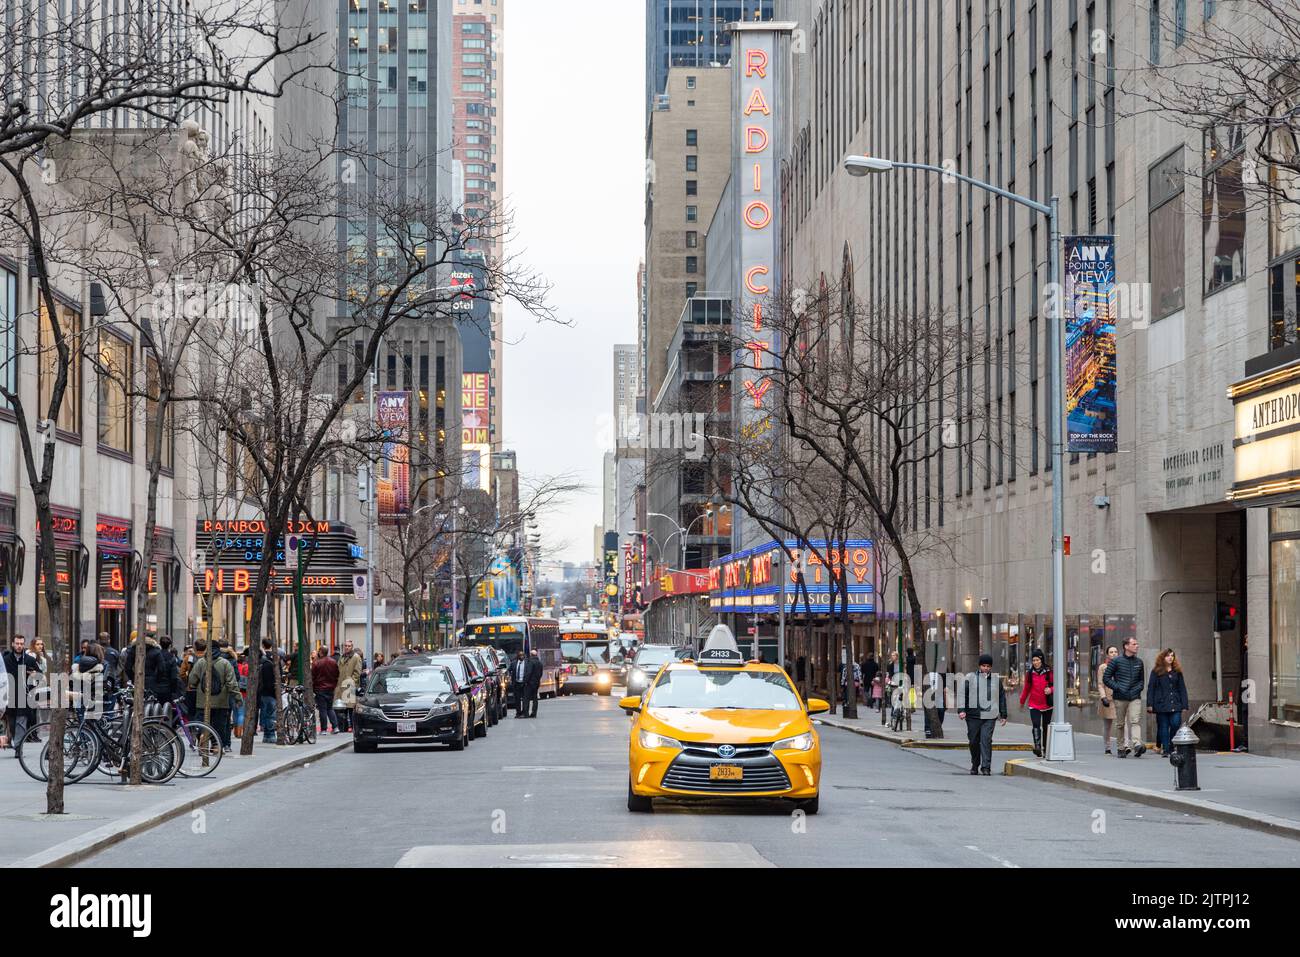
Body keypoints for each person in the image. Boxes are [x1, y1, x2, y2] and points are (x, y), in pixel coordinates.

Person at [958, 653, 1007, 776]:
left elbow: (1001, 697)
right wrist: (962, 710)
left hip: (989, 715)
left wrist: (1003, 715)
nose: (986, 668)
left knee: (986, 740)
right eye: (984, 666)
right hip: (973, 716)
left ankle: (986, 767)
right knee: (973, 741)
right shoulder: (970, 678)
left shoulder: (996, 680)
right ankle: (975, 764)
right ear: (979, 666)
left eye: (988, 666)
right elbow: (963, 694)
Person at [188, 638, 238, 751]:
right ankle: (216, 745)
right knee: (219, 725)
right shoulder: (225, 663)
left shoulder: (201, 662)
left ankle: (203, 738)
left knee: (203, 723)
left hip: (203, 701)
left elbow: (191, 680)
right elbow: (232, 683)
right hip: (221, 702)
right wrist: (238, 698)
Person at [1104, 635, 1146, 758]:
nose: (1137, 646)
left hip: (1134, 697)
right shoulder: (1116, 661)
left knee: (1135, 720)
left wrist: (1136, 690)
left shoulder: (1139, 662)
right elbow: (1106, 678)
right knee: (1120, 724)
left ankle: (1137, 744)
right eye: (1134, 644)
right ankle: (1121, 747)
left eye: (1137, 644)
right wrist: (1118, 687)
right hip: (1120, 697)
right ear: (1126, 646)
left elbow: (1141, 681)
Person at [1147, 648, 1189, 757]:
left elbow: (1182, 688)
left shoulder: (1177, 671)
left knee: (1175, 723)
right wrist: (1150, 704)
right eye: (1168, 655)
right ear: (1163, 657)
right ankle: (1166, 749)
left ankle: (1171, 745)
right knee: (1163, 726)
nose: (1170, 657)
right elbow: (1151, 688)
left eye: (1172, 655)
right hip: (1161, 703)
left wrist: (1184, 704)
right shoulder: (1156, 671)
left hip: (1175, 703)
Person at [4, 636, 38, 751]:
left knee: (21, 723)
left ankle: (19, 748)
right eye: (17, 643)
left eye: (21, 643)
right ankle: (15, 741)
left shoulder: (29, 660)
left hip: (24, 696)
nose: (19, 646)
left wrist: (34, 677)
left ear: (24, 645)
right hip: (9, 696)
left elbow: (40, 676)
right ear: (13, 644)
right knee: (12, 723)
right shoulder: (6, 660)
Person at [1019, 649, 1054, 757]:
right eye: (1033, 660)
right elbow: (1026, 688)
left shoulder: (1049, 671)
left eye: (1037, 660)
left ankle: (1045, 748)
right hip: (1034, 704)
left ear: (1041, 660)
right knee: (1036, 725)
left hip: (1047, 704)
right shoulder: (1030, 674)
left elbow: (1057, 685)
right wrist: (1022, 701)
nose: (1035, 662)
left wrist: (1051, 690)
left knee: (1046, 726)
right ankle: (1037, 746)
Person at [335, 640, 363, 733]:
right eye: (346, 646)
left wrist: (351, 682)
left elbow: (357, 672)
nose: (347, 647)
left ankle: (351, 726)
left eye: (349, 646)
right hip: (340, 685)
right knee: (342, 708)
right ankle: (344, 727)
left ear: (352, 647)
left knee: (350, 708)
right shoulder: (342, 657)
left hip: (349, 686)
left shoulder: (356, 657)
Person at [311, 645, 340, 734]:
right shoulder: (333, 662)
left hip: (320, 688)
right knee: (330, 708)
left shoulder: (316, 663)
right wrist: (334, 684)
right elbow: (337, 674)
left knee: (322, 709)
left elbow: (313, 676)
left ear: (320, 652)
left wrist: (314, 687)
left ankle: (324, 729)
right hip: (330, 688)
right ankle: (335, 727)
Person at [1097, 645, 1119, 754]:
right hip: (1107, 699)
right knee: (1107, 724)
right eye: (1111, 652)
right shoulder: (1103, 667)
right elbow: (1100, 684)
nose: (1114, 653)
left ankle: (1126, 745)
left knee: (1123, 723)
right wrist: (1103, 697)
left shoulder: (1122, 665)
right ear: (1107, 654)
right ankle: (1107, 747)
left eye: (1115, 651)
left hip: (1120, 697)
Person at [256, 638, 278, 744]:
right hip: (271, 691)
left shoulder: (263, 660)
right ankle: (270, 734)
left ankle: (266, 734)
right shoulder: (273, 660)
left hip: (264, 691)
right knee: (271, 714)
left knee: (266, 713)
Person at [524, 649, 543, 717]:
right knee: (535, 698)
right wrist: (537, 680)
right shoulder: (540, 662)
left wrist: (525, 681)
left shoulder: (530, 662)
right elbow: (541, 673)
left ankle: (526, 713)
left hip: (529, 683)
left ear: (531, 655)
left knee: (526, 698)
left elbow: (529, 673)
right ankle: (534, 713)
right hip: (536, 683)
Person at [511, 650, 529, 717]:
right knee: (517, 699)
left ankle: (524, 712)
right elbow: (509, 670)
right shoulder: (513, 663)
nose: (521, 656)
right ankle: (518, 713)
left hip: (524, 684)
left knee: (525, 699)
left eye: (522, 655)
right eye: (520, 655)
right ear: (518, 656)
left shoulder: (527, 663)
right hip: (516, 683)